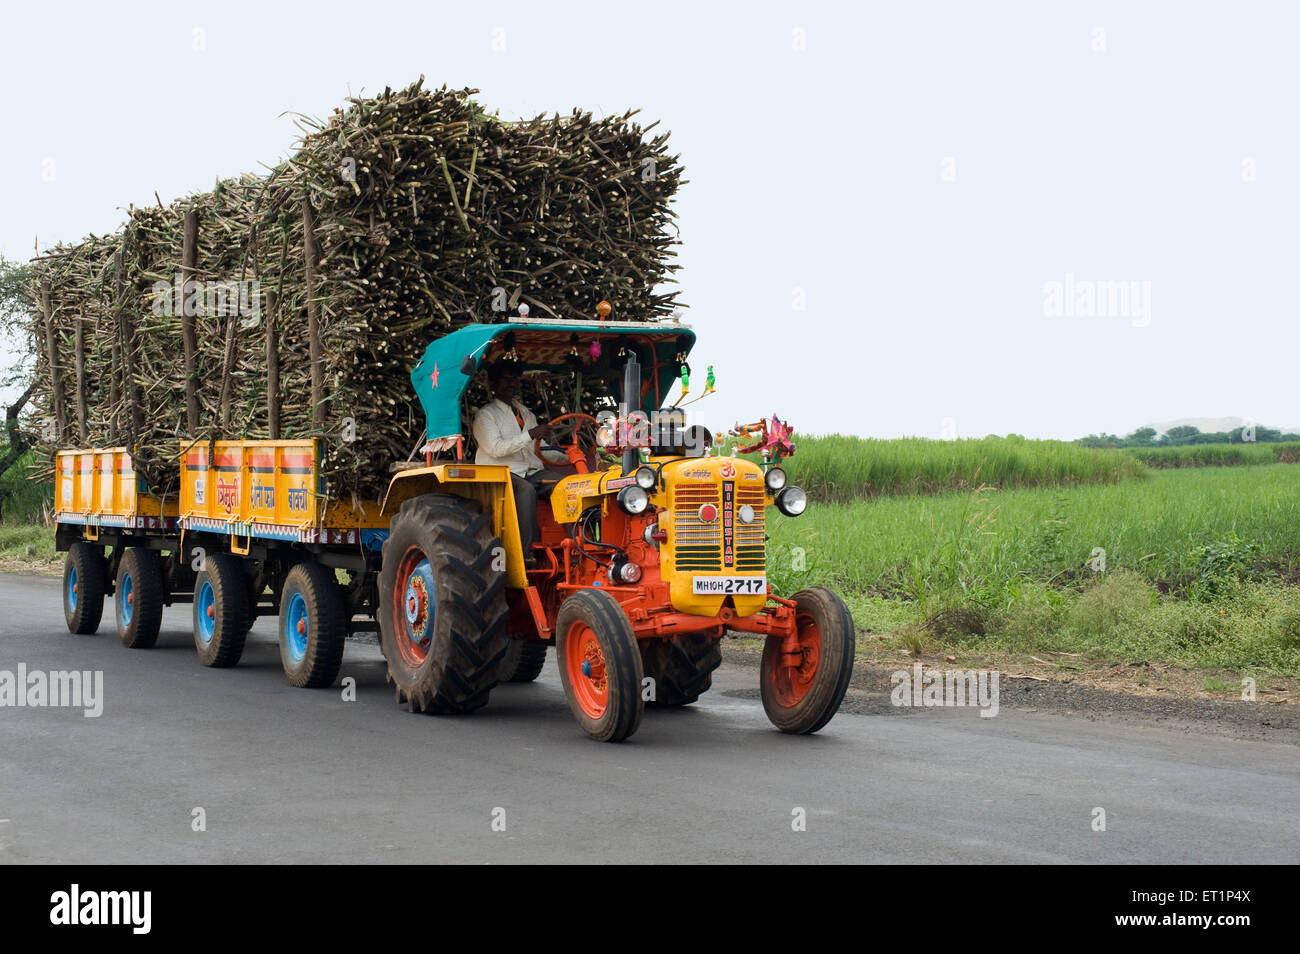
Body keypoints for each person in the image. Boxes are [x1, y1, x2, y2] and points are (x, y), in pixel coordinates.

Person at [472, 362, 568, 564]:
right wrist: (530, 434)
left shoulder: (525, 413)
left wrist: (569, 455)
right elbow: (496, 449)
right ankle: (527, 552)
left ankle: (576, 542)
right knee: (525, 491)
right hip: (501, 473)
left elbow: (538, 451)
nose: (511, 383)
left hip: (530, 471)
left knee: (565, 486)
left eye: (514, 379)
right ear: (494, 384)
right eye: (506, 379)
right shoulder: (485, 415)